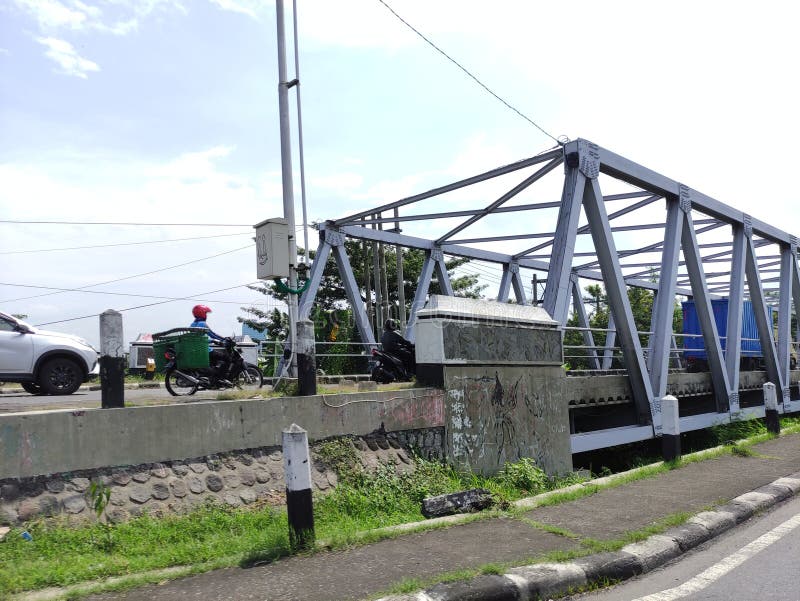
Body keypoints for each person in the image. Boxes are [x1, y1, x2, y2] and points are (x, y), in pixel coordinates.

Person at [190, 305, 227, 375]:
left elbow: (198, 338)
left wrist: (210, 341)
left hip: (196, 349)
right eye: (206, 313)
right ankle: (217, 375)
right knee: (224, 357)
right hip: (204, 349)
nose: (206, 315)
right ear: (202, 313)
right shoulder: (202, 324)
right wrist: (224, 339)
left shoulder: (192, 324)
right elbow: (213, 335)